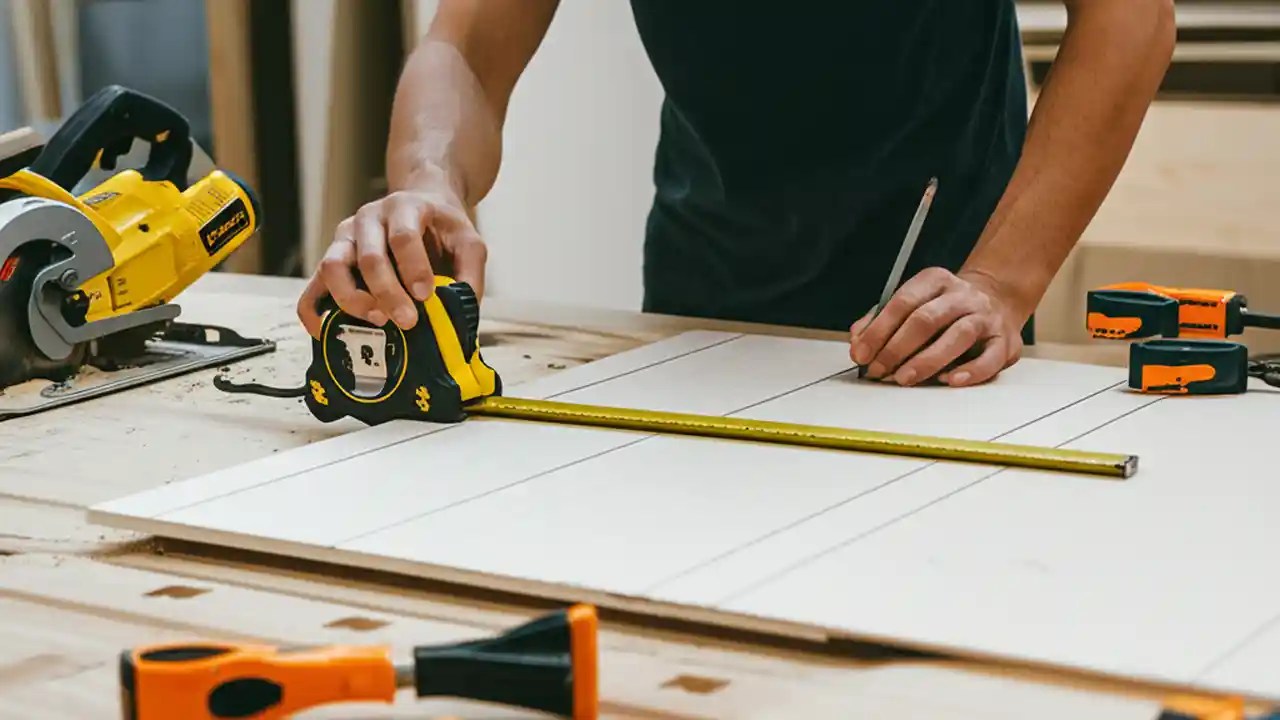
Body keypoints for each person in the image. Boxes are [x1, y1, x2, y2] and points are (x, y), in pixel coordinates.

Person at [297, 1, 1175, 388]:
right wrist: (427, 182)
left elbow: (1130, 18)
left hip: (938, 306)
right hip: (700, 293)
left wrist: (1000, 284)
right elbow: (468, 48)